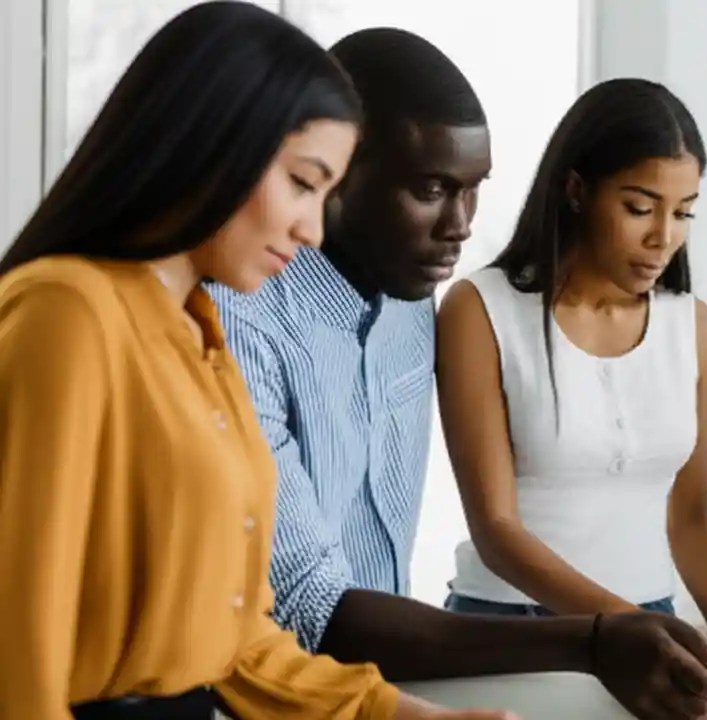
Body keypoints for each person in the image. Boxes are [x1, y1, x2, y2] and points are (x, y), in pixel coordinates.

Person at [211, 28, 707, 720]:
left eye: (472, 192)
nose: (459, 227)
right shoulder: (244, 322)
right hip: (285, 697)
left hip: (389, 687)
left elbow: (692, 511)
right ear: (336, 169)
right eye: (432, 190)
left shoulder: (410, 302)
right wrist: (598, 637)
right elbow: (315, 608)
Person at [0, 3, 511, 719]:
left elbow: (234, 638)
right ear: (214, 148)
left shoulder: (201, 337)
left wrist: (411, 716)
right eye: (303, 184)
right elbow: (16, 645)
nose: (310, 228)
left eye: (326, 193)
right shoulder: (69, 314)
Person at [435, 77, 707, 708]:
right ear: (577, 189)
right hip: (508, 632)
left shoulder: (697, 329)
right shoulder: (482, 310)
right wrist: (637, 632)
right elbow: (497, 528)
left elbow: (691, 515)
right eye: (641, 207)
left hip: (652, 624)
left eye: (685, 211)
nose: (664, 236)